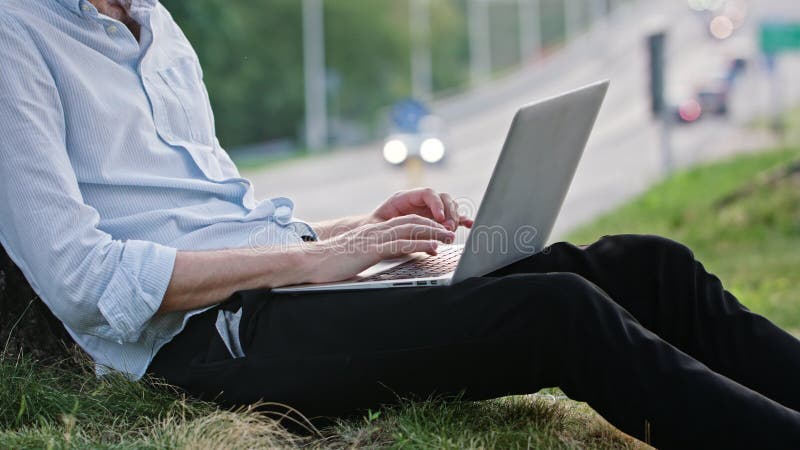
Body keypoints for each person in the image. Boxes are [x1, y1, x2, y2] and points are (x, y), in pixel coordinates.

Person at [0, 1, 798, 448]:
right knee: (560, 312)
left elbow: (215, 215)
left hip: (281, 290)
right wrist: (309, 265)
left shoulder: (160, 28)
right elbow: (82, 283)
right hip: (209, 342)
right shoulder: (17, 38)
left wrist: (356, 231)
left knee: (644, 264)